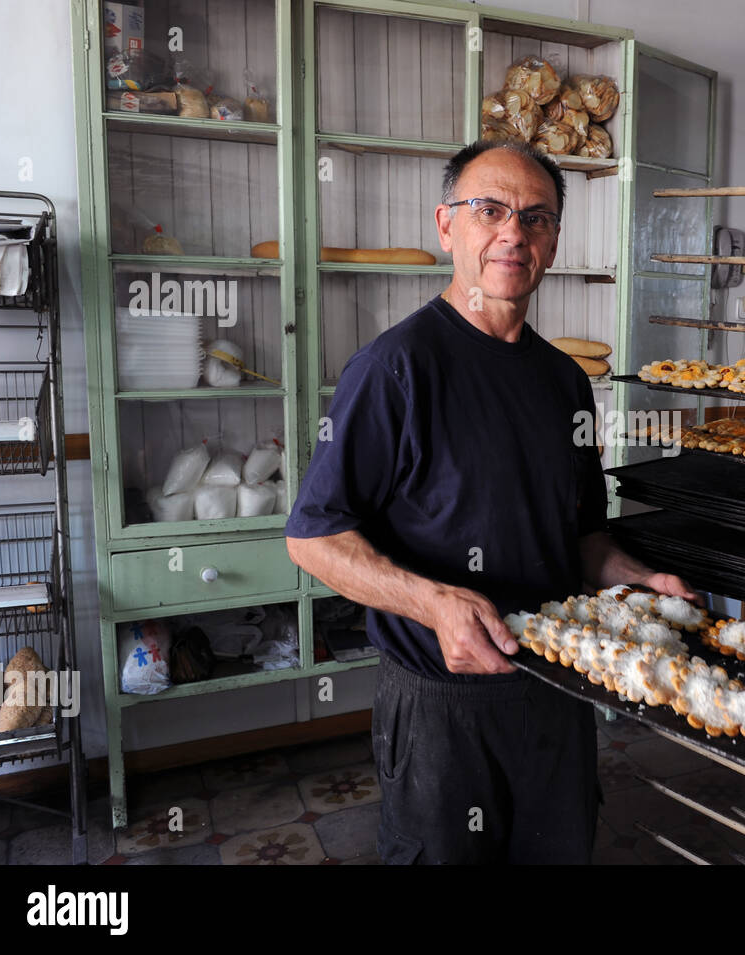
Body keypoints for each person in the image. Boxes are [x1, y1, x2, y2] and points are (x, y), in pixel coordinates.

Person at [284, 140, 694, 865]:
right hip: (444, 707)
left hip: (560, 690)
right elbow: (313, 537)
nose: (514, 232)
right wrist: (433, 602)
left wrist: (627, 573)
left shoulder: (566, 383)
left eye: (536, 217)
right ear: (447, 226)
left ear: (554, 240)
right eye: (491, 210)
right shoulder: (395, 370)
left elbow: (581, 537)